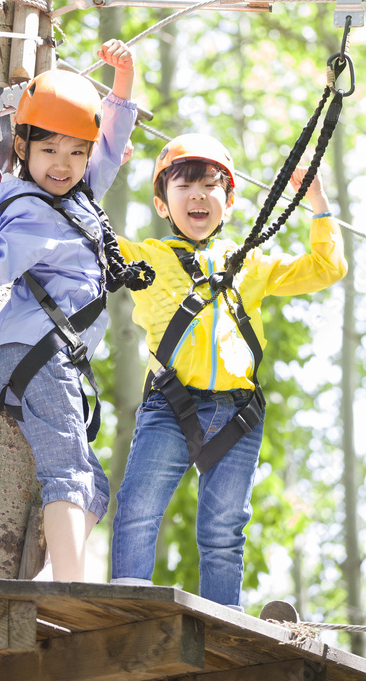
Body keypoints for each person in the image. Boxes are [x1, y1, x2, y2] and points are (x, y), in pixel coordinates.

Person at [0, 40, 153, 582]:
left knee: (91, 480)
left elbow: (111, 140)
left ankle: (58, 575)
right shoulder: (22, 209)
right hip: (37, 348)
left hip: (54, 352)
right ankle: (70, 585)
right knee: (67, 470)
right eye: (49, 151)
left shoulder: (80, 195)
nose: (62, 165)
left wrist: (123, 80)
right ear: (22, 146)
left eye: (74, 153)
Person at [110, 133, 348, 608]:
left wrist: (319, 203)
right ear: (161, 203)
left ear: (230, 201)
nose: (199, 195)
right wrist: (104, 161)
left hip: (238, 413)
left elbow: (326, 267)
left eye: (211, 186)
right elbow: (89, 239)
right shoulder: (146, 258)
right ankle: (128, 603)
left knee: (224, 528)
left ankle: (222, 618)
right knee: (138, 507)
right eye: (184, 186)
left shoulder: (251, 264)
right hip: (170, 407)